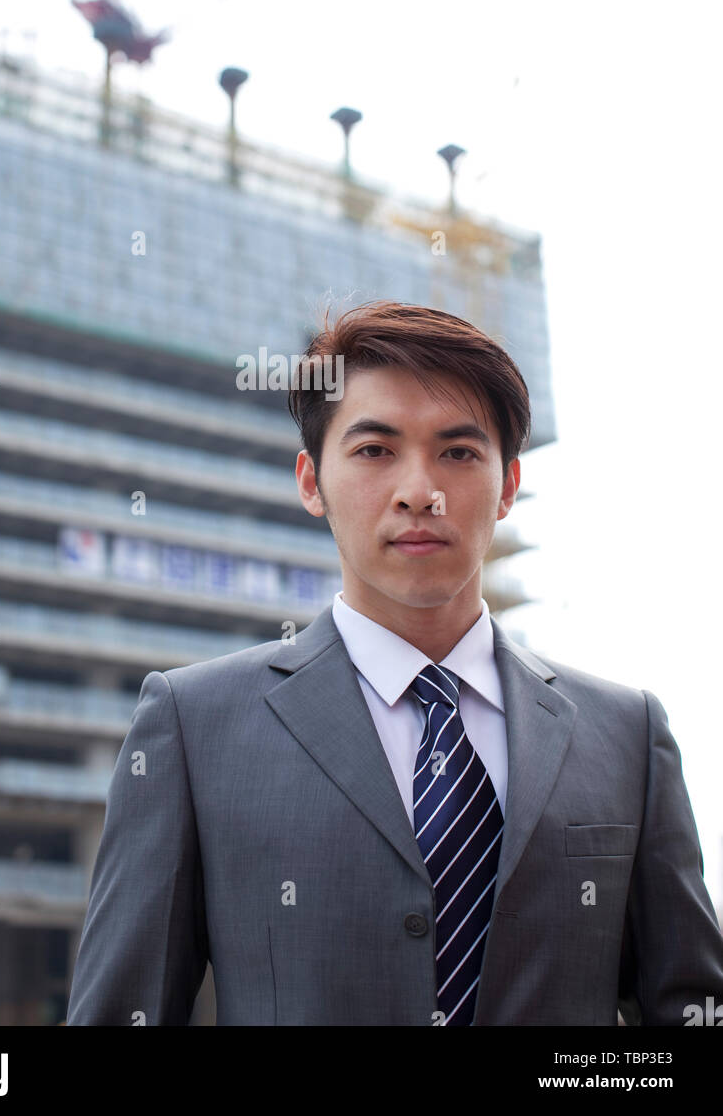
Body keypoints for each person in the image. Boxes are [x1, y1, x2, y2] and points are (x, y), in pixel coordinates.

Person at [67, 300, 723, 1025]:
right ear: (311, 481)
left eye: (459, 452)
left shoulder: (627, 734)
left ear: (507, 486)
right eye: (375, 450)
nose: (421, 491)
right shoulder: (194, 727)